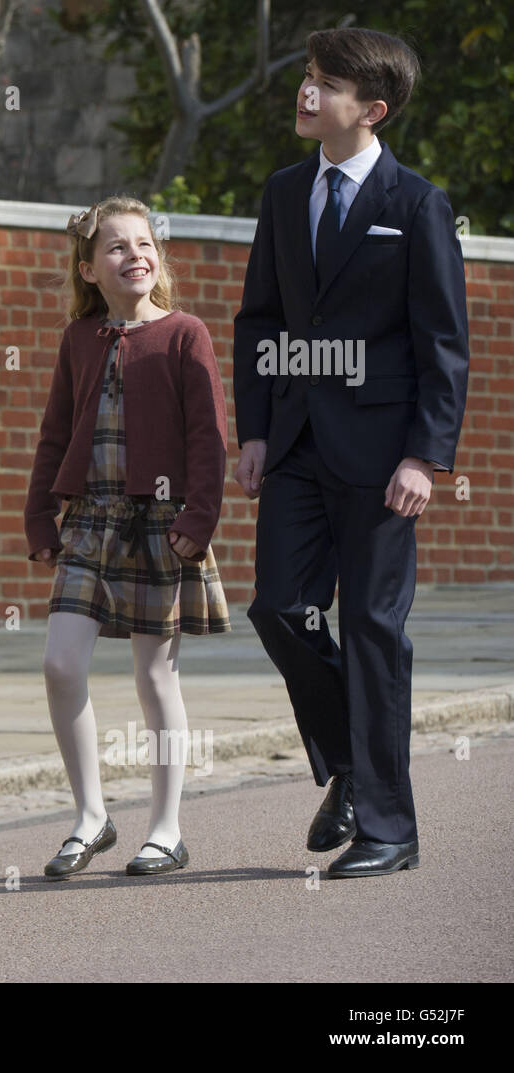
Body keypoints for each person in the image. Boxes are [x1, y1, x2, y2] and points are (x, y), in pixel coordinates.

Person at [233, 27, 468, 878]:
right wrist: (255, 430)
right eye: (306, 77)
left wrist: (425, 455)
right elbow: (260, 320)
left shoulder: (416, 205)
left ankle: (390, 826)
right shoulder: (283, 192)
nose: (305, 93)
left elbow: (443, 342)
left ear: (371, 109)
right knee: (276, 608)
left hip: (381, 459)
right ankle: (350, 767)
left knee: (372, 630)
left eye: (324, 83)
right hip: (295, 442)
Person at [25, 197, 230, 881]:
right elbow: (55, 430)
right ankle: (91, 815)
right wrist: (38, 517)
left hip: (161, 525)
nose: (135, 255)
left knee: (154, 673)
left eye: (144, 243)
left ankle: (166, 828)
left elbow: (208, 439)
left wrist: (196, 524)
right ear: (88, 267)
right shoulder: (78, 337)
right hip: (88, 520)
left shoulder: (184, 333)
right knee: (60, 663)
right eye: (116, 247)